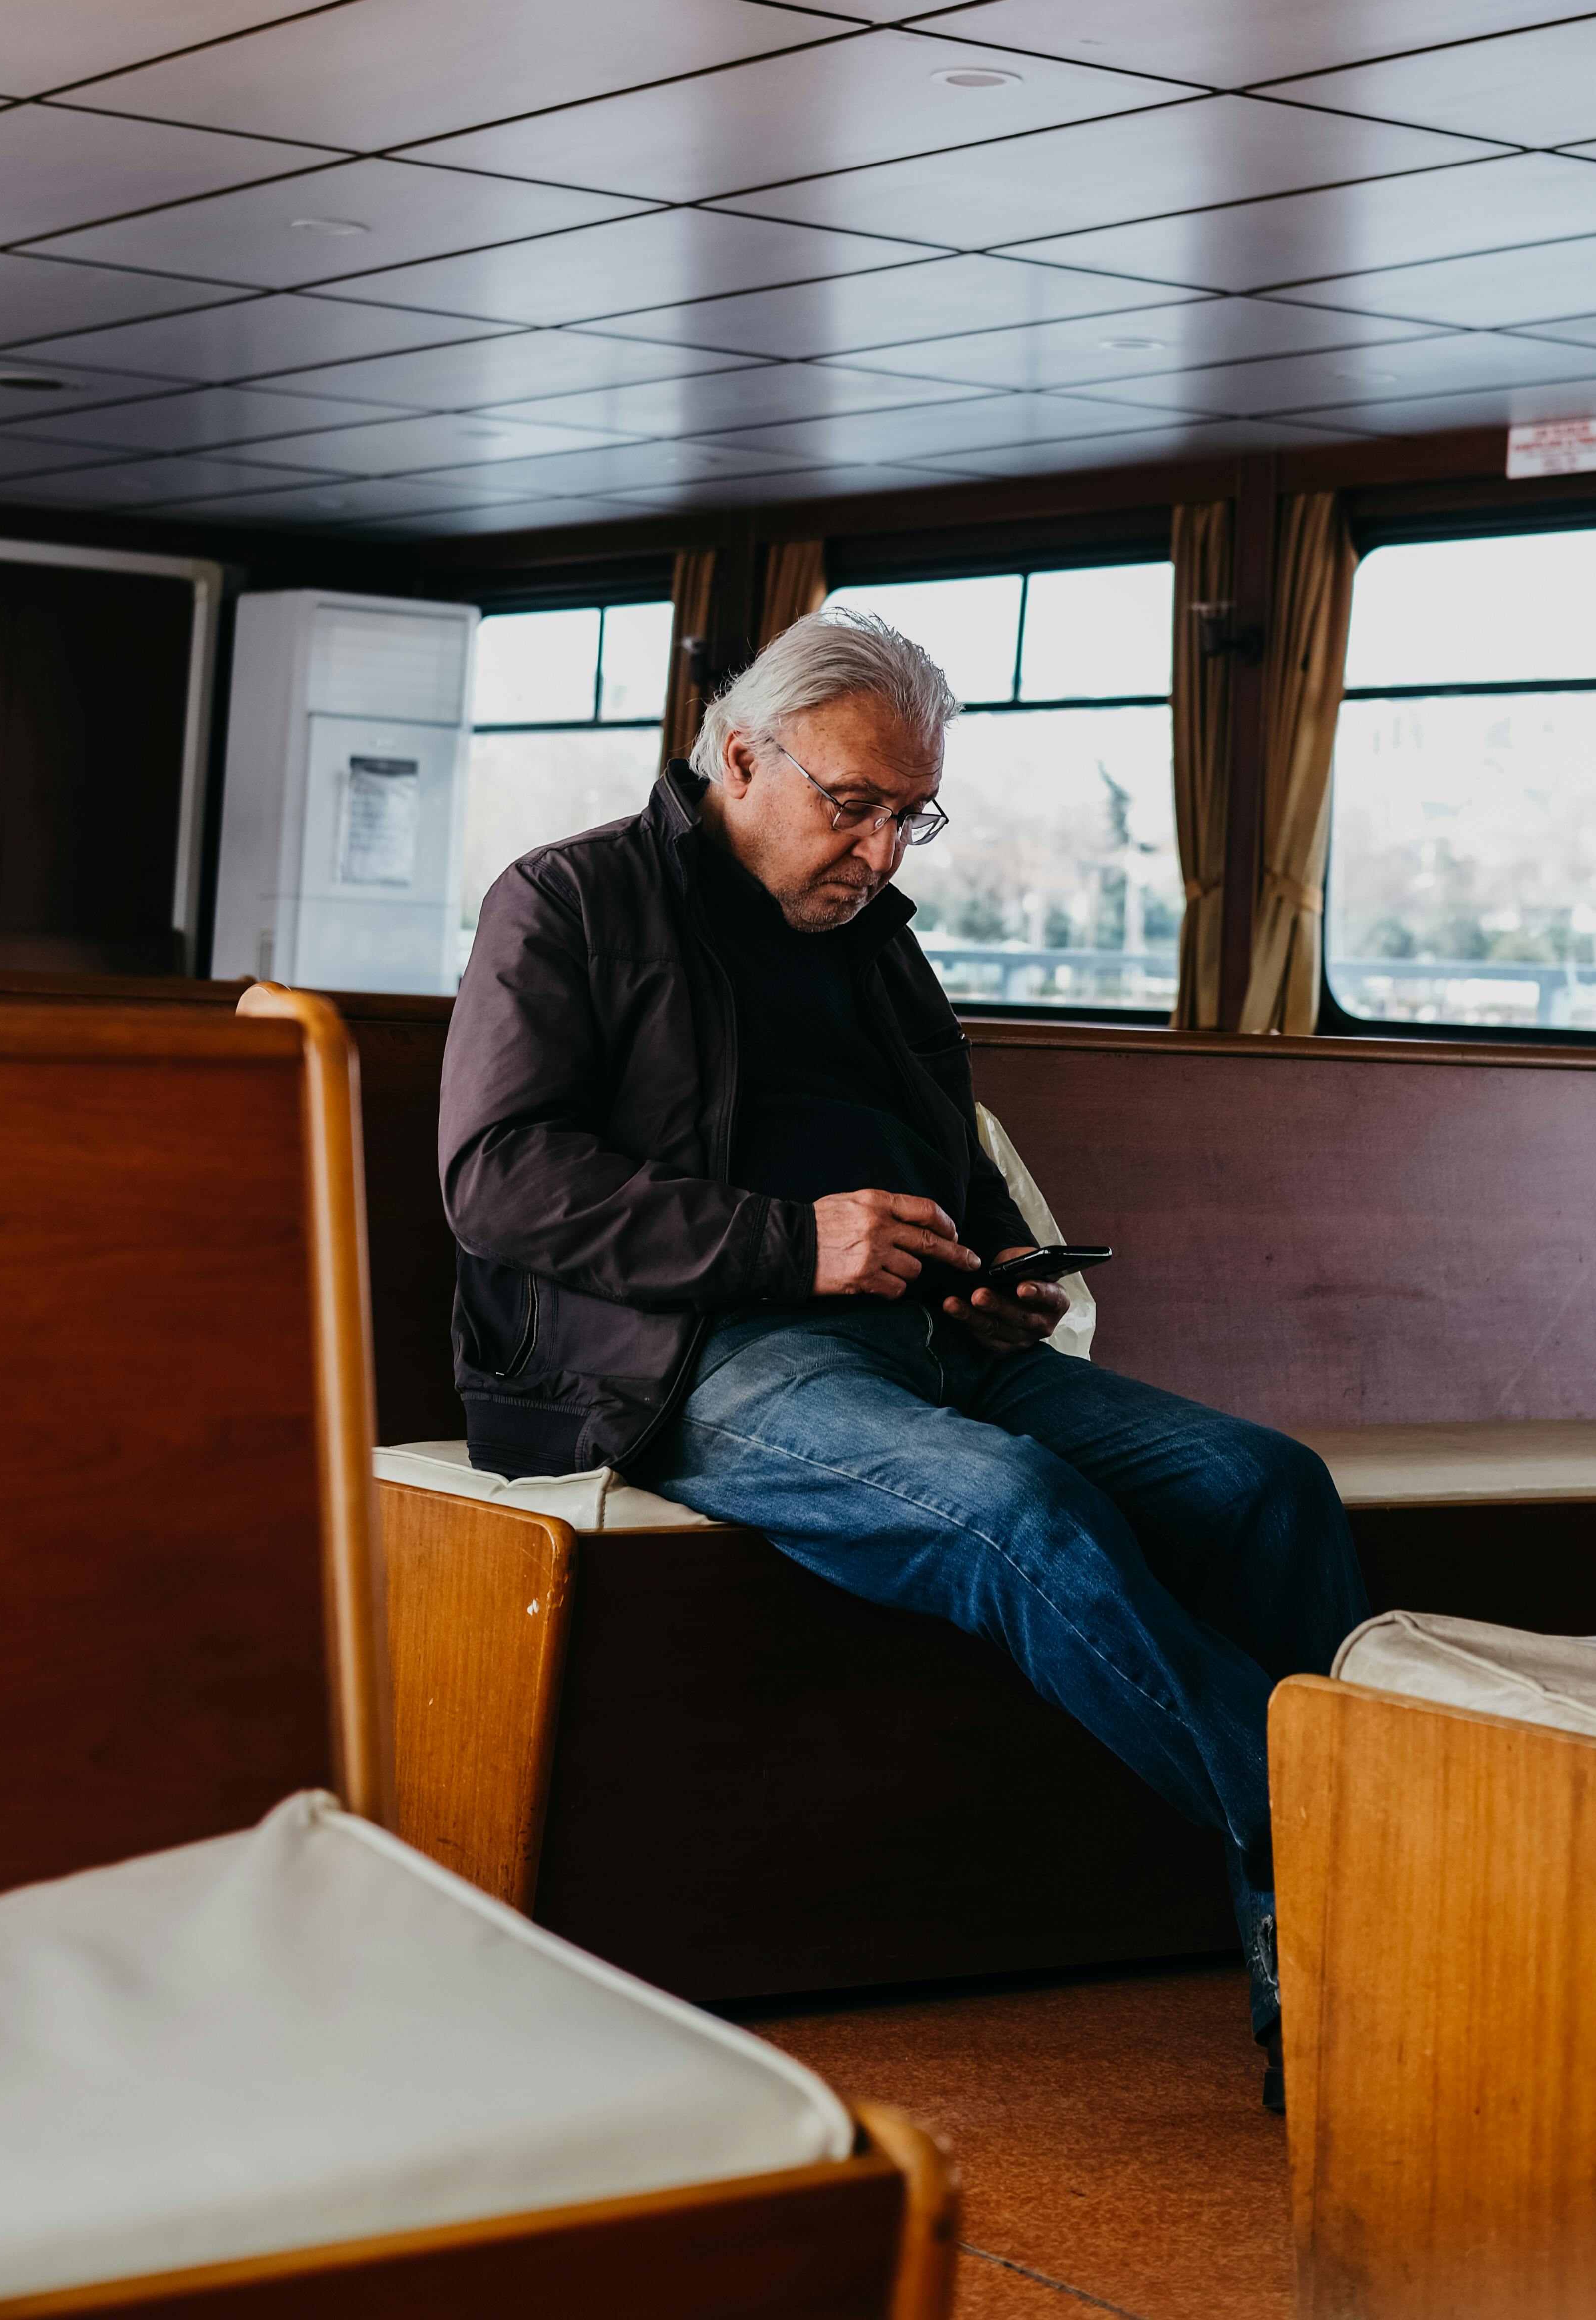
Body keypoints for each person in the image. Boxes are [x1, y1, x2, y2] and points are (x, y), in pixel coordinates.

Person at [441, 607, 1366, 2108]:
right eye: (854, 807)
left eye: (909, 817)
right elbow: (498, 1177)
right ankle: (1370, 1857)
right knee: (1014, 1512)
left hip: (935, 1342)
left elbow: (944, 1144)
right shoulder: (570, 900)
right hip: (697, 1360)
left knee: (1268, 1484)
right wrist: (788, 1247)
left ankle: (1314, 1957)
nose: (881, 853)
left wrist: (1006, 1276)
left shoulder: (872, 938)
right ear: (741, 756)